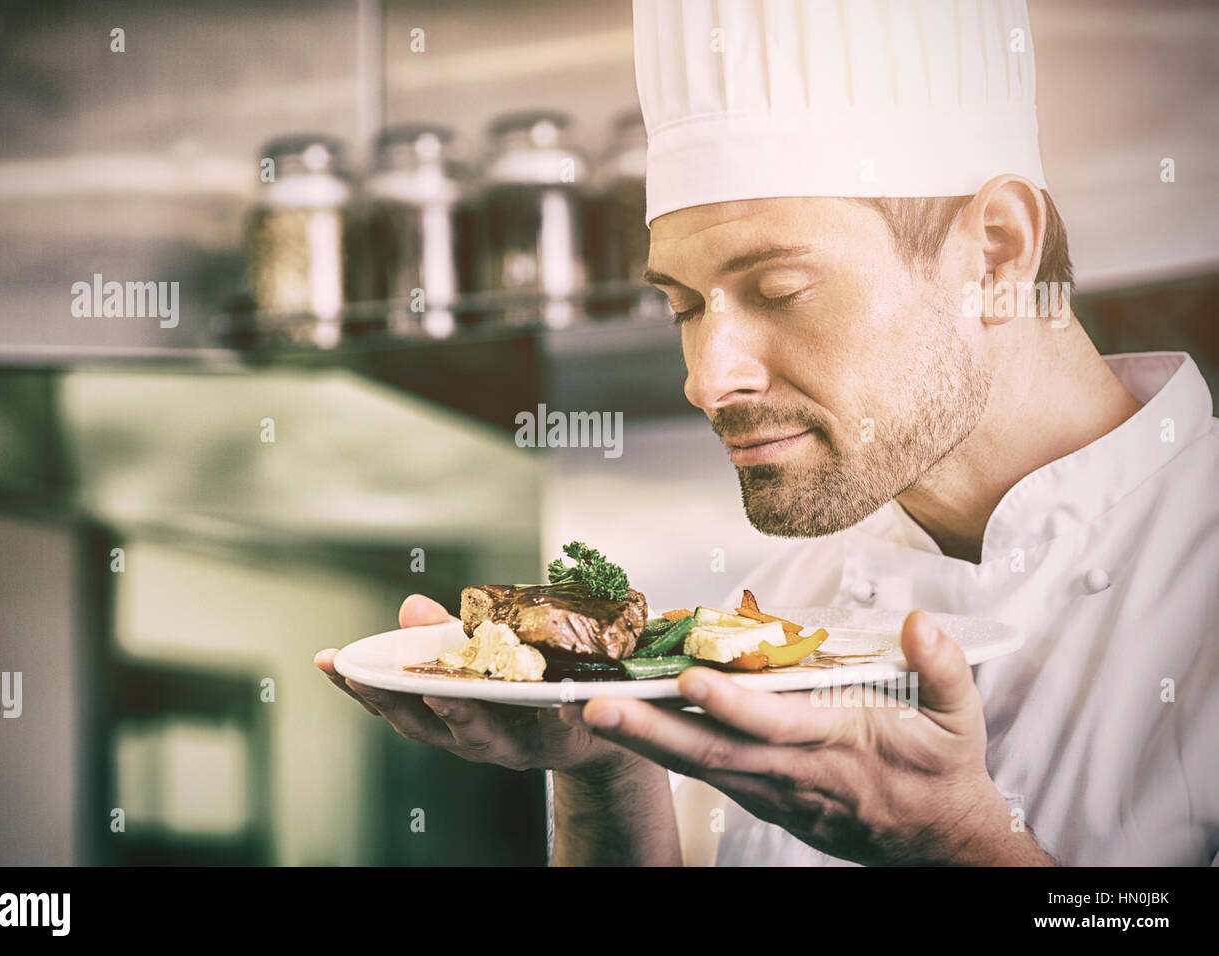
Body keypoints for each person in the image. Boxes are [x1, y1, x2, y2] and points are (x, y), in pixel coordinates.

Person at [316, 0, 1219, 865]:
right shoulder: (785, 611)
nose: (705, 380)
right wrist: (604, 765)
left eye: (780, 291)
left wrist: (957, 849)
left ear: (996, 254)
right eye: (682, 307)